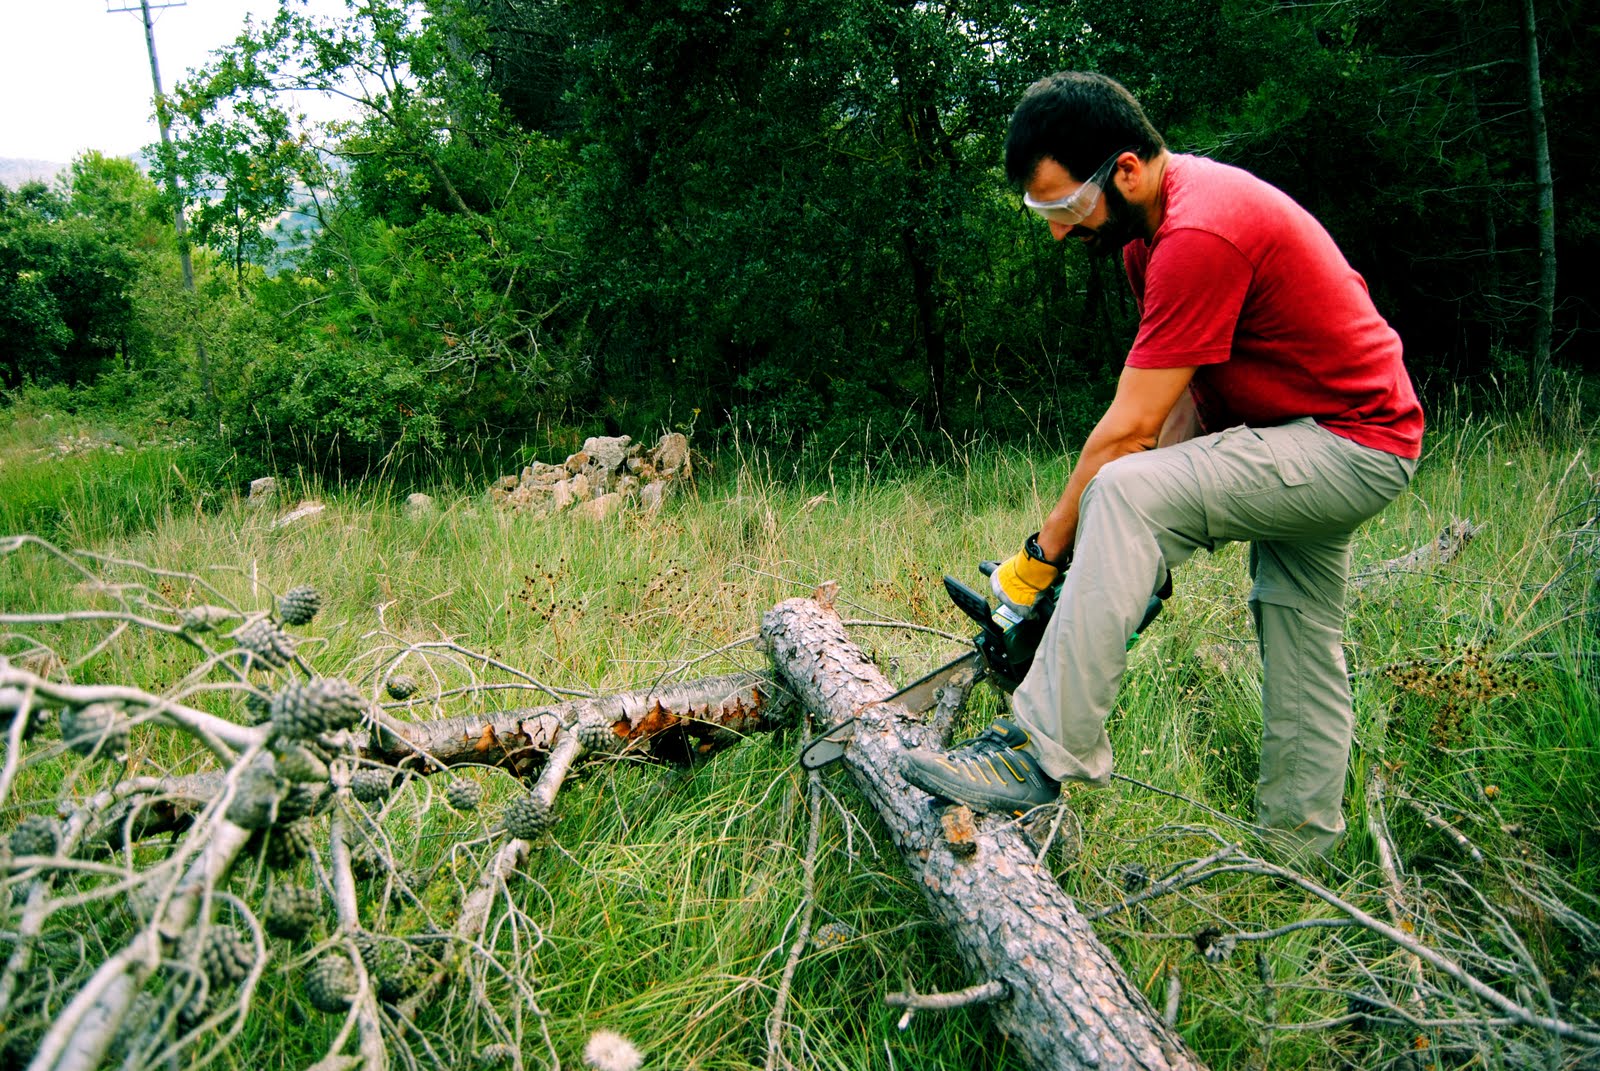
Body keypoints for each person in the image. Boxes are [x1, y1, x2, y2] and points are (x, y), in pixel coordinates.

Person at [899, 71, 1424, 859]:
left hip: (1350, 443)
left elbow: (1127, 435)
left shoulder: (1198, 236)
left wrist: (1040, 563)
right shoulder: (1152, 241)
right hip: (1332, 436)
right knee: (1298, 627)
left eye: (1066, 208)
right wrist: (1107, 570)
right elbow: (1184, 410)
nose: (1058, 233)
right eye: (1042, 215)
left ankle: (1039, 749)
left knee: (1124, 493)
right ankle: (1299, 847)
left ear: (1127, 170)